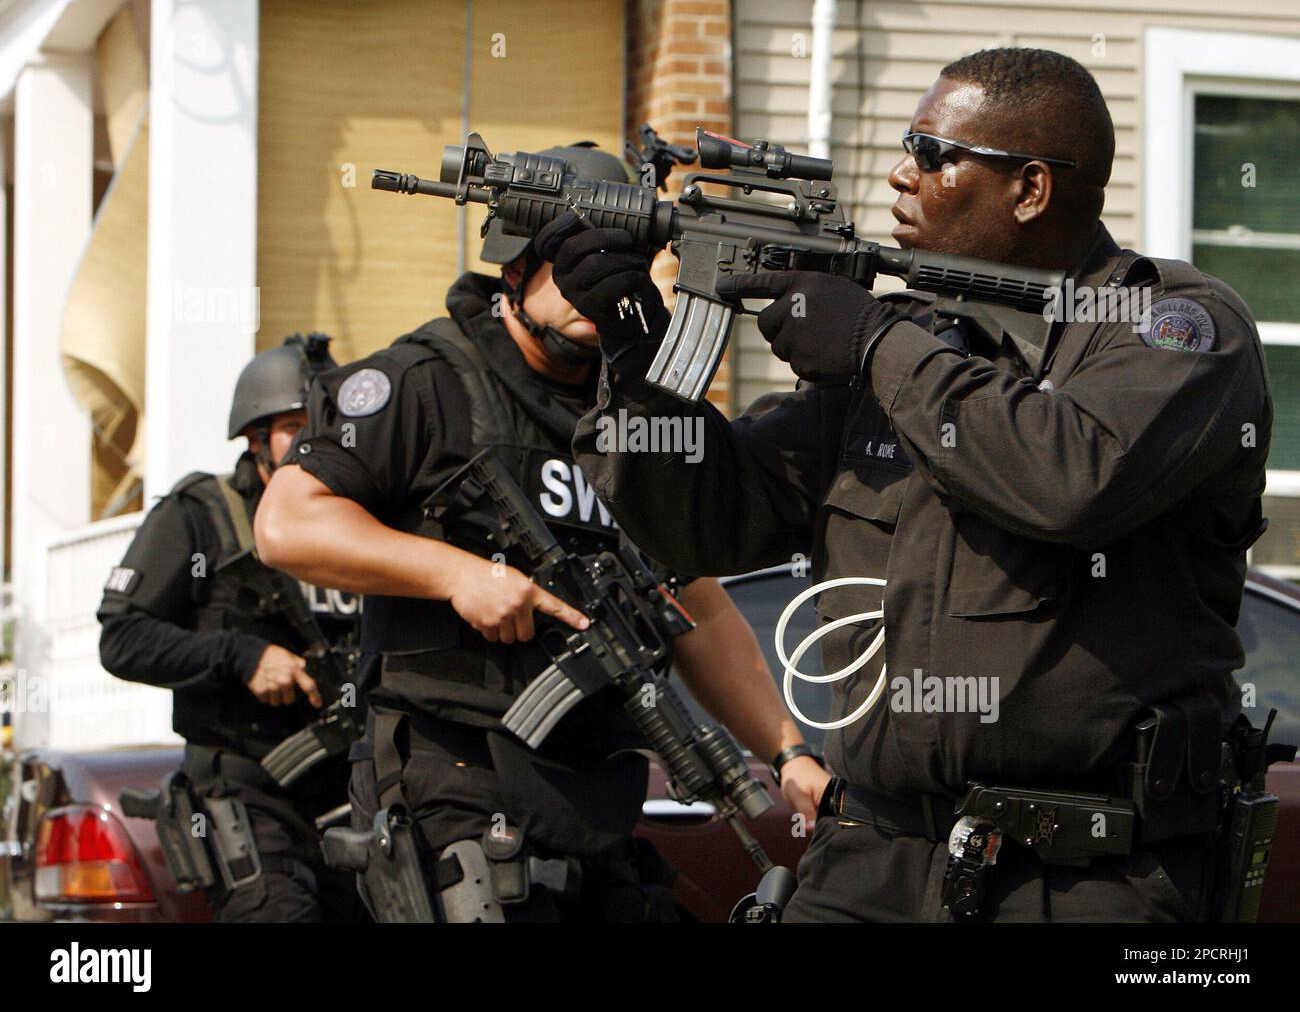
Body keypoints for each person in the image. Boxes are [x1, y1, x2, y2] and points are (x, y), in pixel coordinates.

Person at [539, 49, 1274, 922]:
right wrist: (634, 348)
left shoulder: (1174, 327)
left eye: (933, 153)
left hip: (1088, 878)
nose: (900, 173)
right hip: (871, 861)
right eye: (905, 146)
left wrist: (875, 344)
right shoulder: (909, 350)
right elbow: (708, 524)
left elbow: (1072, 474)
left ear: (1030, 188)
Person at [254, 144, 830, 922]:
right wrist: (455, 573)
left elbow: (701, 605)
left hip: (591, 790)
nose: (600, 289)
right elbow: (289, 521)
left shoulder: (636, 414)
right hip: (452, 778)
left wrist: (788, 752)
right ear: (517, 268)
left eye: (618, 267)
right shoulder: (427, 381)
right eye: (577, 264)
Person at [100, 333, 365, 922]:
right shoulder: (204, 515)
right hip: (249, 795)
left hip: (355, 798)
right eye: (296, 426)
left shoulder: (362, 527)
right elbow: (122, 639)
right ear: (256, 439)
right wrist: (240, 656)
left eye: (327, 423)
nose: (314, 441)